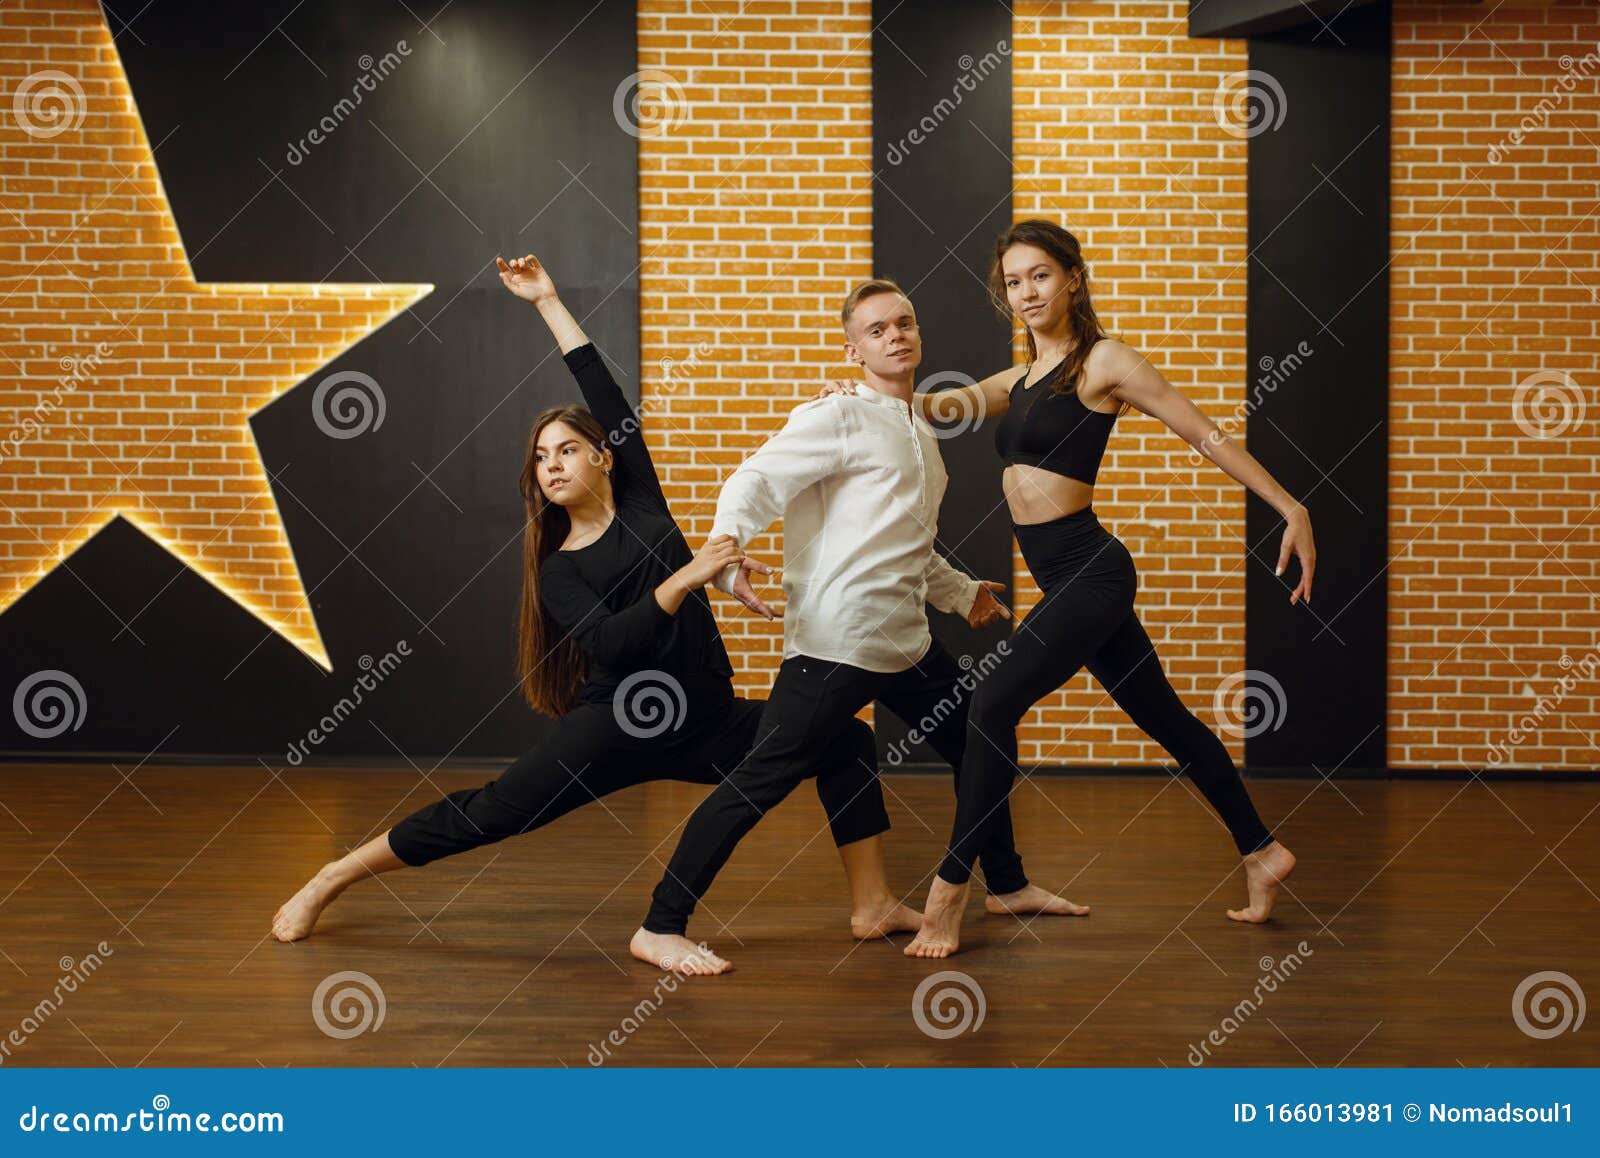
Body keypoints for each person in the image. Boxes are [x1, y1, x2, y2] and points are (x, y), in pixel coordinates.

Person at [270, 255, 913, 975]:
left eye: (569, 448)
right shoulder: (560, 567)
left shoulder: (641, 502)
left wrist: (547, 298)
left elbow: (598, 384)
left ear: (605, 459)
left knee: (845, 742)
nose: (552, 464)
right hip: (612, 729)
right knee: (488, 814)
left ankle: (872, 903)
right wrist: (692, 576)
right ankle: (332, 878)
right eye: (541, 457)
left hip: (705, 719)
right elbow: (614, 639)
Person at [630, 278, 1087, 976]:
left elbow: (905, 541)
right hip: (838, 642)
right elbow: (752, 481)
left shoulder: (918, 430)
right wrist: (724, 560)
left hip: (905, 641)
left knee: (980, 743)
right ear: (853, 349)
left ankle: (1005, 883)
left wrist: (963, 593)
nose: (894, 335)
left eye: (903, 322)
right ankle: (660, 926)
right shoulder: (836, 417)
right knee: (759, 782)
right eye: (876, 329)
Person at [879, 219, 1309, 958]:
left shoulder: (1103, 362)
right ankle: (1261, 851)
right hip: (1069, 579)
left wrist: (1291, 506)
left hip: (1092, 573)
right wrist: (860, 393)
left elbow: (1204, 434)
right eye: (1013, 282)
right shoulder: (1017, 381)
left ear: (1073, 277)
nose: (1026, 292)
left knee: (990, 700)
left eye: (1040, 275)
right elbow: (931, 408)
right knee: (1167, 719)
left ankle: (951, 893)